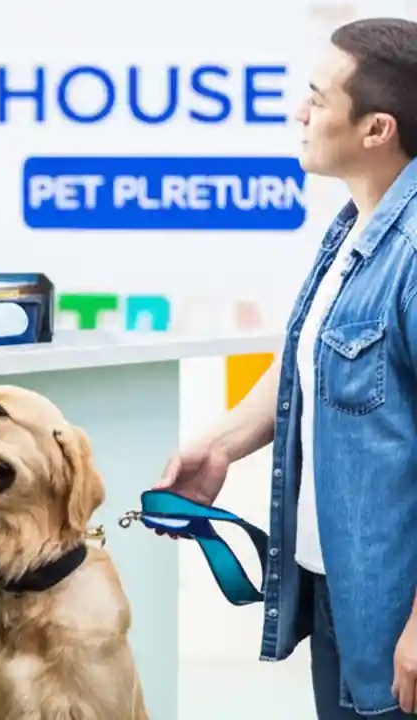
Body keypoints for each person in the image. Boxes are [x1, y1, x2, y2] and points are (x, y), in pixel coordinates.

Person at [154, 17, 417, 719]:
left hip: (401, 612)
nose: (298, 112)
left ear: (376, 129)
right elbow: (322, 363)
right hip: (343, 590)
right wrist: (220, 444)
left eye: (317, 98)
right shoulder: (359, 224)